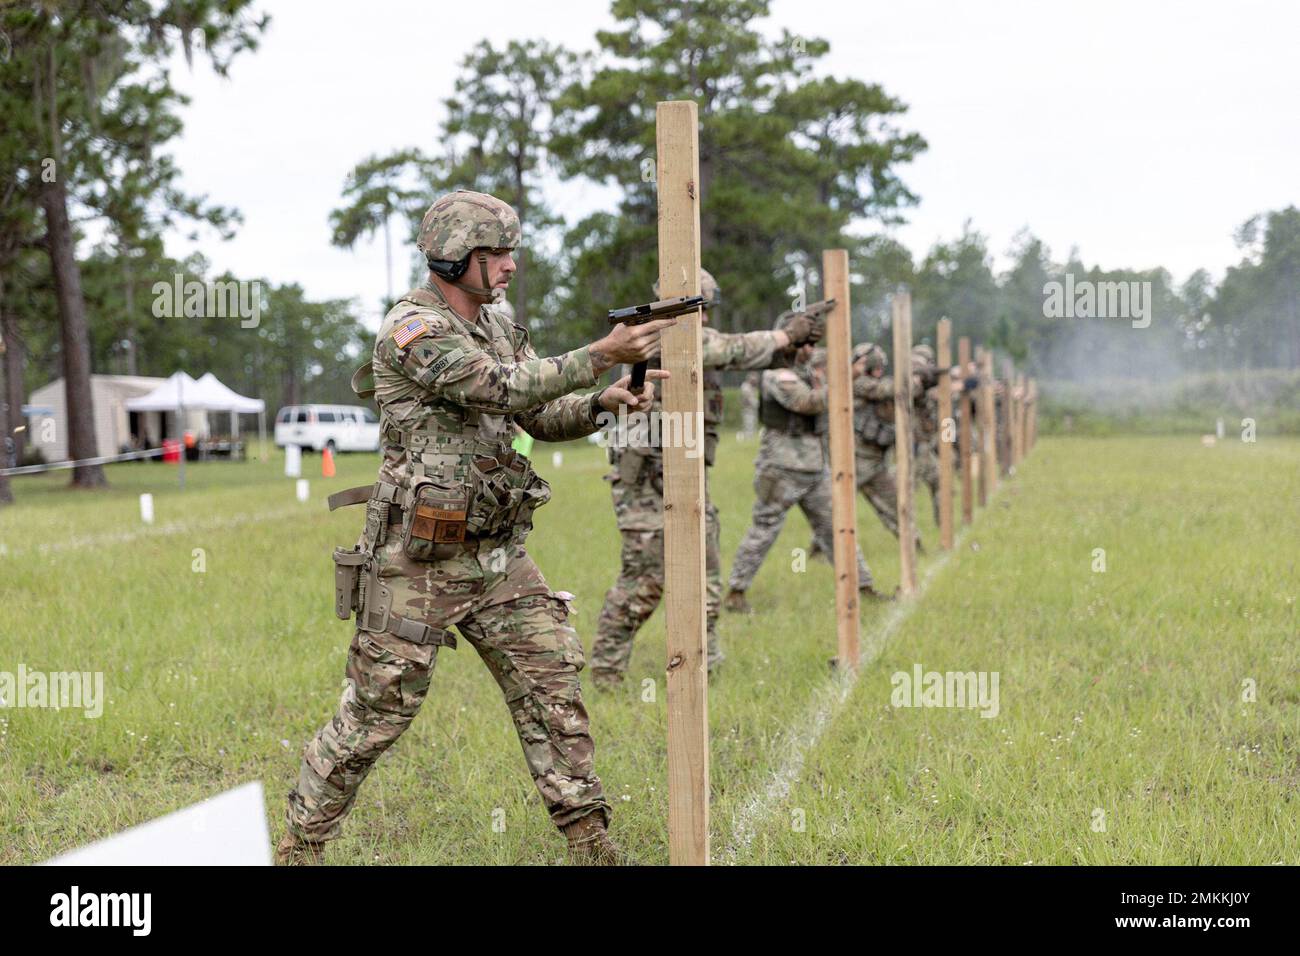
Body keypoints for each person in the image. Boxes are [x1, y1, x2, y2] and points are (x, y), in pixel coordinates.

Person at [277, 189, 672, 866]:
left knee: (554, 691)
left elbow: (536, 416)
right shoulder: (413, 331)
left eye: (511, 251)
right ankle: (301, 844)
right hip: (417, 560)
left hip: (495, 555)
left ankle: (591, 843)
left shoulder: (499, 324)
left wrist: (601, 403)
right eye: (497, 253)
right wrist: (600, 354)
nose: (510, 266)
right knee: (377, 715)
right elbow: (499, 387)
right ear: (455, 256)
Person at [588, 269, 823, 687]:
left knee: (706, 574)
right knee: (644, 582)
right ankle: (606, 672)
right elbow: (724, 348)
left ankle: (705, 664)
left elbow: (735, 354)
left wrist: (793, 347)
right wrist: (785, 335)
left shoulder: (697, 342)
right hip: (646, 484)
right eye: (703, 310)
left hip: (689, 479)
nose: (707, 319)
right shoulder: (660, 334)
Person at [724, 335, 883, 614]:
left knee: (838, 528)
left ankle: (862, 586)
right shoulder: (776, 374)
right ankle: (736, 591)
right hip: (781, 466)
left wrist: (849, 371)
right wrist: (848, 376)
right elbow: (807, 402)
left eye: (811, 344)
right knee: (763, 531)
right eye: (803, 344)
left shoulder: (808, 372)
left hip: (814, 466)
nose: (809, 350)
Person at [739, 372, 760, 439]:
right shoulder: (745, 386)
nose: (755, 381)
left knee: (753, 422)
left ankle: (750, 436)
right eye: (753, 380)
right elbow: (748, 398)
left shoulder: (752, 387)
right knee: (748, 422)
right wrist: (757, 404)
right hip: (747, 408)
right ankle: (747, 437)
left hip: (752, 408)